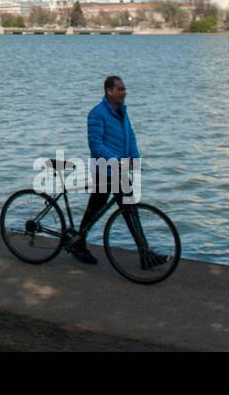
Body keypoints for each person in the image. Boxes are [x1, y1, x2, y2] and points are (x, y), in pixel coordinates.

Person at [66, 75, 166, 268]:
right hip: (104, 171)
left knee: (130, 211)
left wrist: (134, 158)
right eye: (120, 89)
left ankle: (145, 255)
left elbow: (130, 136)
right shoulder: (97, 113)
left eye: (124, 88)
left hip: (119, 171)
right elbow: (96, 145)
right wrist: (117, 160)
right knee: (97, 210)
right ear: (109, 91)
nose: (124, 92)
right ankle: (79, 243)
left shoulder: (122, 112)